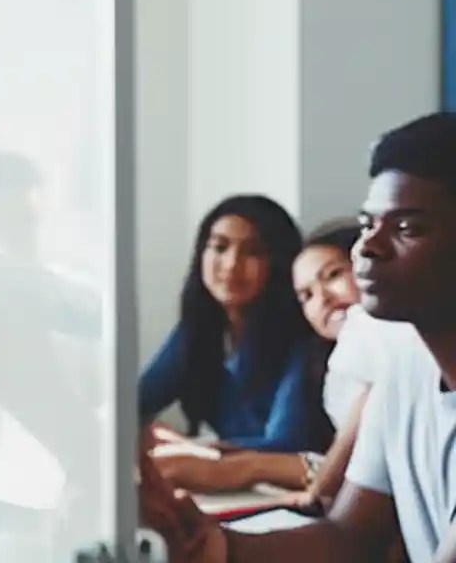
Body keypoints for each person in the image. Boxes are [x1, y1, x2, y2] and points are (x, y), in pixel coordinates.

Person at [140, 112, 456, 563]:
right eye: (368, 224)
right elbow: (346, 537)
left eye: (407, 228)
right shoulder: (401, 368)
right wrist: (207, 544)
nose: (367, 247)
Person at [152, 224, 414, 509]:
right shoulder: (331, 362)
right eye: (306, 295)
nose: (323, 298)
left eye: (333, 275)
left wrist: (236, 467)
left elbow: (344, 447)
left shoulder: (383, 335)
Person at [139, 195, 316, 452]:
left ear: (280, 263)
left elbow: (285, 445)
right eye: (220, 248)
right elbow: (135, 404)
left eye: (253, 252)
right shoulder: (198, 330)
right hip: (227, 472)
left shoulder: (302, 341)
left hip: (287, 475)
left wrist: (189, 448)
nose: (232, 265)